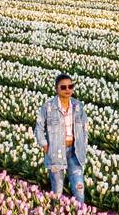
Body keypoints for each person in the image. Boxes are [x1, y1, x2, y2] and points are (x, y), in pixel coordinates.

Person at [35, 72, 87, 202]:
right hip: (56, 152)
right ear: (56, 89)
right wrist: (44, 144)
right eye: (63, 87)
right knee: (57, 189)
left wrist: (83, 144)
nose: (68, 90)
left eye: (70, 86)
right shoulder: (48, 107)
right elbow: (39, 127)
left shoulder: (78, 106)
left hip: (75, 151)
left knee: (79, 189)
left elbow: (85, 127)